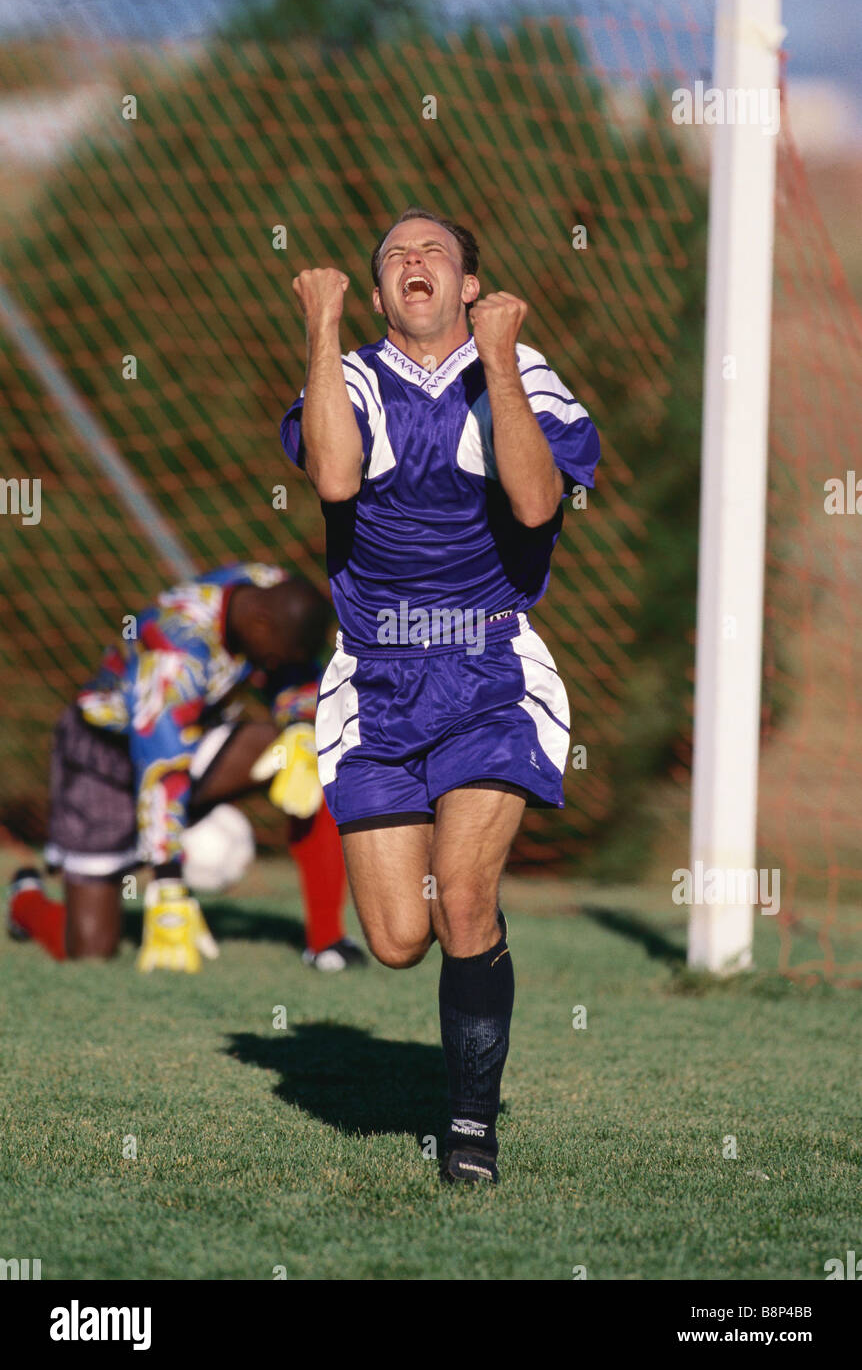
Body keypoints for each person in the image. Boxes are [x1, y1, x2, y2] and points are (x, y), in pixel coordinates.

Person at [281, 207, 600, 1182]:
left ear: (470, 286)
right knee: (395, 939)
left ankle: (469, 1130)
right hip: (374, 678)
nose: (411, 263)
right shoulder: (351, 374)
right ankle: (465, 994)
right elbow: (333, 473)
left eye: (434, 254)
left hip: (489, 669)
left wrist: (498, 360)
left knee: (463, 898)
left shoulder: (521, 367)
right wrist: (322, 324)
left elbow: (539, 501)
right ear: (378, 293)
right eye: (392, 259)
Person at [7, 562, 364, 973]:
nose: (278, 664)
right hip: (103, 761)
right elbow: (162, 774)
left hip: (191, 738)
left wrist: (301, 724)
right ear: (261, 627)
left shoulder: (269, 592)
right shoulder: (173, 657)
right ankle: (25, 900)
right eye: (281, 656)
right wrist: (170, 886)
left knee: (310, 753)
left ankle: (326, 941)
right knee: (89, 948)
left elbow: (293, 677)